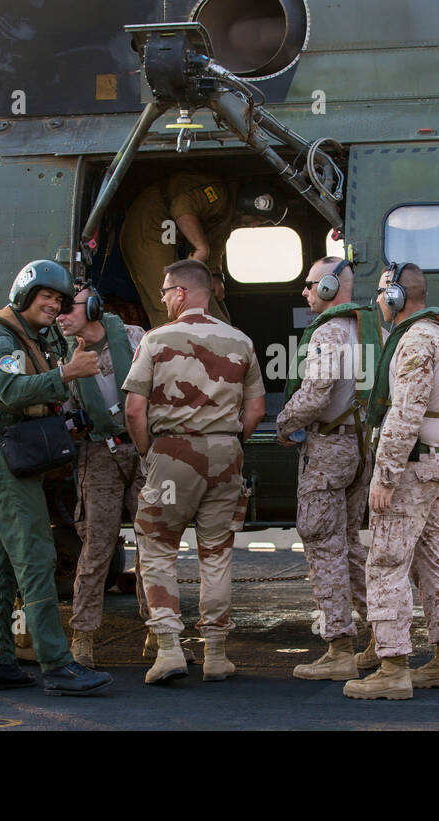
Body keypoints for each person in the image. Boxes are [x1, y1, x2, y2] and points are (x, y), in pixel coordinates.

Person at [0, 259, 114, 696]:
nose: (54, 306)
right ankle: (57, 664)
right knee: (36, 557)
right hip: (3, 457)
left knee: (0, 562)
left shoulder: (29, 339)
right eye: (47, 297)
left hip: (12, 456)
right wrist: (66, 373)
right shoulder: (0, 340)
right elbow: (10, 391)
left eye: (60, 300)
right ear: (25, 296)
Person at [122, 259, 266, 684]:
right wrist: (226, 439)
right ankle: (217, 655)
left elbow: (134, 408)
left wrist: (151, 453)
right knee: (217, 553)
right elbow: (255, 410)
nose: (164, 298)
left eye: (167, 291)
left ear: (182, 293)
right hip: (226, 456)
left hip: (172, 454)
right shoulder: (241, 342)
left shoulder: (156, 340)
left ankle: (168, 649)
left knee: (158, 547)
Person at [344, 262, 439, 701]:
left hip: (410, 470)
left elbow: (405, 415)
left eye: (382, 291)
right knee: (432, 560)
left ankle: (393, 666)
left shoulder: (416, 339)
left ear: (397, 296)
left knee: (384, 563)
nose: (378, 300)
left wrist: (385, 475)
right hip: (433, 468)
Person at [55, 283, 194, 666]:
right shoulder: (65, 358)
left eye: (70, 308)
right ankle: (82, 637)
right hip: (99, 453)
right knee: (97, 547)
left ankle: (161, 634)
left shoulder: (134, 339)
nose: (61, 315)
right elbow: (64, 411)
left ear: (95, 306)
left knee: (153, 545)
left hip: (143, 448)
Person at [276, 257, 383, 680]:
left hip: (327, 453)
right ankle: (380, 638)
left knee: (323, 545)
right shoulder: (367, 329)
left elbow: (315, 396)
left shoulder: (329, 332)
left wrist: (283, 423)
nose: (304, 292)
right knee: (351, 546)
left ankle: (339, 648)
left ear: (328, 288)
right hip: (359, 449)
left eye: (309, 285)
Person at [120, 174, 285, 328]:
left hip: (168, 232)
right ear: (247, 203)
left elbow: (215, 242)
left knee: (212, 314)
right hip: (152, 220)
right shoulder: (219, 194)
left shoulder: (227, 217)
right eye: (258, 219)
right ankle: (171, 354)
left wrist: (215, 275)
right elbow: (182, 206)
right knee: (169, 304)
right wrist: (201, 248)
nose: (254, 225)